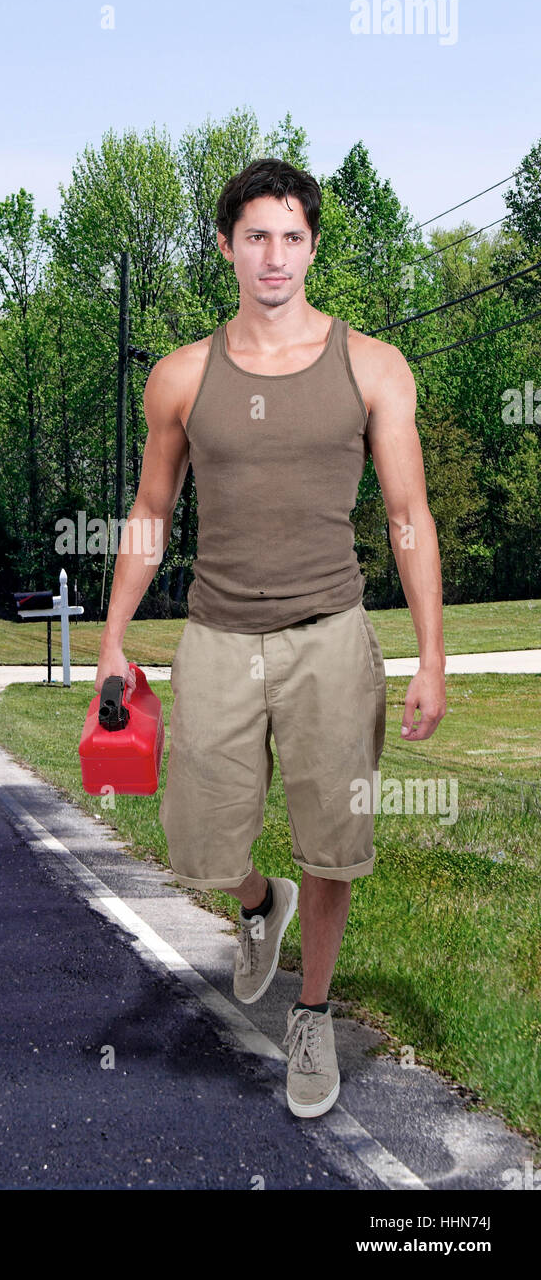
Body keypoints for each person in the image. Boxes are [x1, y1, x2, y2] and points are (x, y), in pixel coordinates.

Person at [95, 157, 447, 1118]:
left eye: (292, 236)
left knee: (333, 843)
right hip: (216, 632)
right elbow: (150, 511)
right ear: (226, 247)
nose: (275, 255)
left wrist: (430, 654)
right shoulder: (182, 376)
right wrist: (115, 636)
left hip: (331, 633)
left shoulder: (371, 365)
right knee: (198, 845)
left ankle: (313, 1011)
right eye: (256, 236)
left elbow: (409, 513)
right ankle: (257, 902)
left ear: (314, 247)